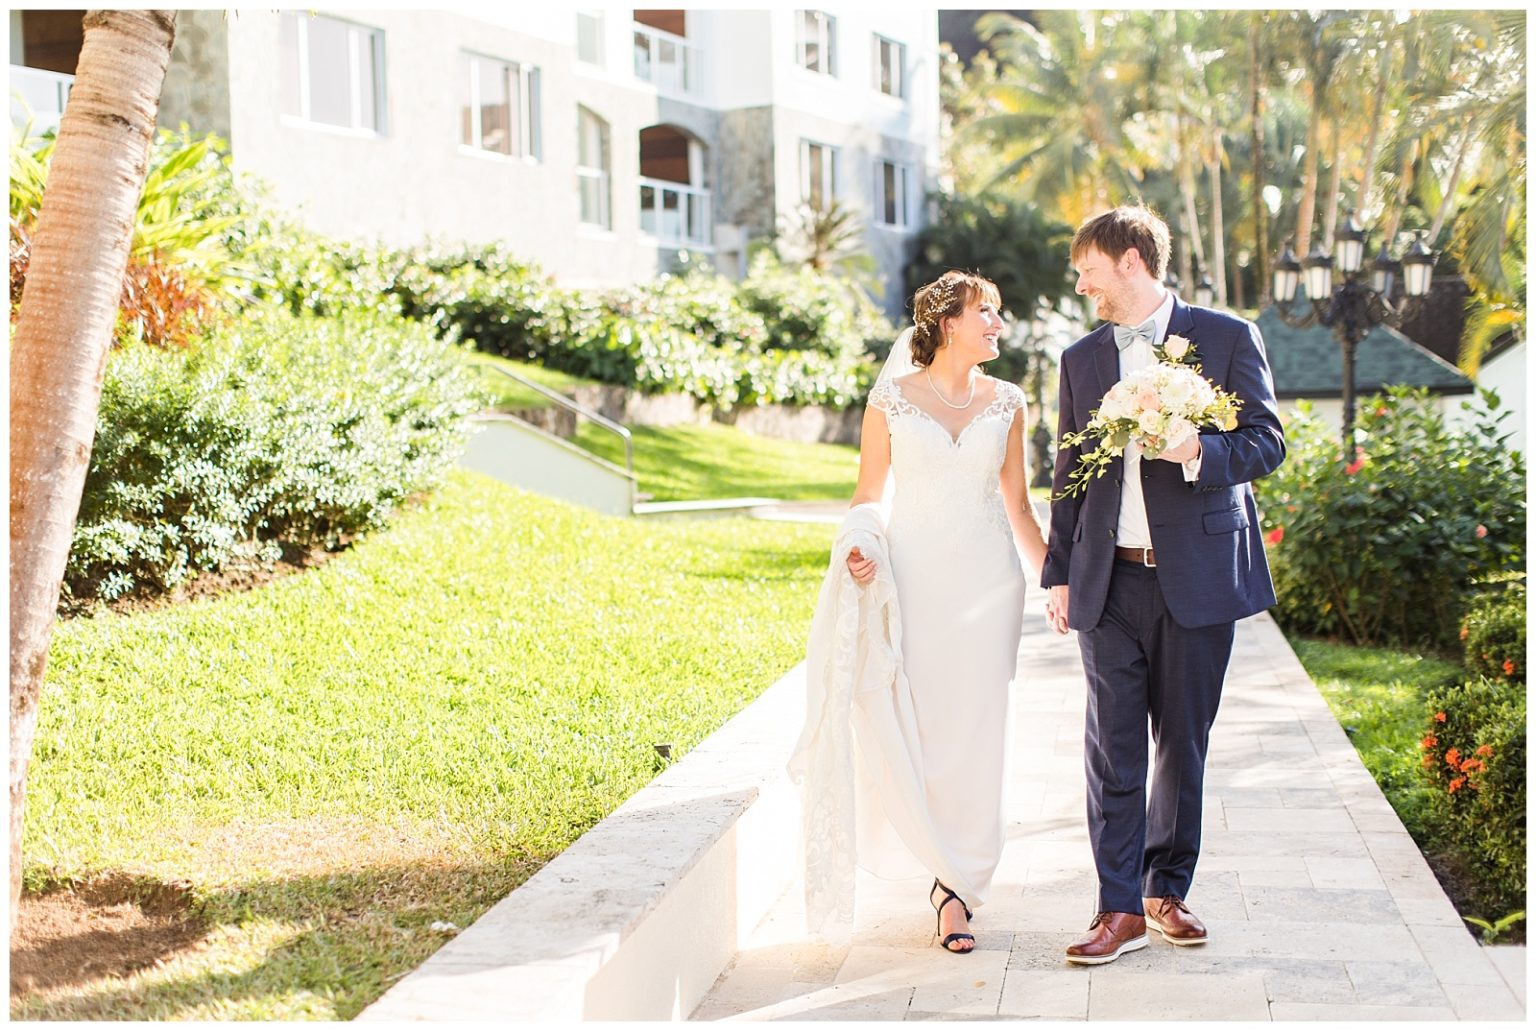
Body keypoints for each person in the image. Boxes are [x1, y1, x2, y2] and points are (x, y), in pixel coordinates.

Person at [1042, 206, 1285, 964]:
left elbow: (1266, 442)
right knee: (1113, 749)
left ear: (1132, 262)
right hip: (1106, 582)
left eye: (1089, 269)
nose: (1083, 285)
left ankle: (1165, 890)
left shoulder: (1227, 336)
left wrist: (1196, 449)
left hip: (1199, 578)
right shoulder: (1081, 360)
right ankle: (1118, 909)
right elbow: (1067, 474)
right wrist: (1057, 571)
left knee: (1181, 742)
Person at [788, 270, 1049, 954]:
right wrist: (860, 549)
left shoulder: (1009, 402)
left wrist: (1058, 578)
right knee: (924, 729)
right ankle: (941, 865)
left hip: (991, 587)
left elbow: (1018, 505)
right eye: (985, 311)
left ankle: (953, 891)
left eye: (998, 310)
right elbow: (868, 494)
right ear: (948, 324)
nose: (997, 322)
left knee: (980, 732)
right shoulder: (893, 402)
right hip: (917, 584)